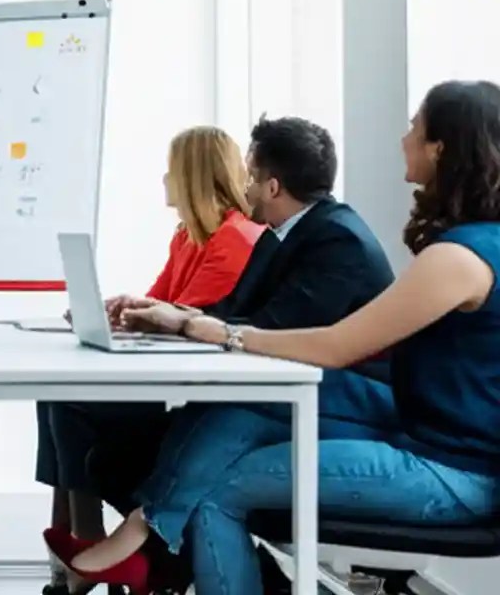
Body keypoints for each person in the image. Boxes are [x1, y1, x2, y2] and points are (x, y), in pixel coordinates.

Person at [48, 79, 500, 594]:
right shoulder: (467, 248)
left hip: (451, 471)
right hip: (420, 435)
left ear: (441, 147)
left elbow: (337, 346)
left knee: (217, 488)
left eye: (415, 128)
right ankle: (143, 537)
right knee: (238, 413)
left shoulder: (457, 258)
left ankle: (142, 534)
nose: (403, 137)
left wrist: (213, 331)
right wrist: (190, 322)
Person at [69, 116, 397, 594]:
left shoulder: (337, 238)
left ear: (272, 184)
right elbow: (234, 314)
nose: (241, 186)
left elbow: (277, 331)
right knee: (125, 451)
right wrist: (167, 314)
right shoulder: (281, 234)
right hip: (301, 394)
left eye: (248, 175)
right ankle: (160, 555)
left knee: (229, 415)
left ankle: (145, 528)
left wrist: (187, 324)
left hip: (353, 404)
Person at [34, 125, 264, 594]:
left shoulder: (235, 240)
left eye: (171, 169)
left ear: (193, 176)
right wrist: (118, 309)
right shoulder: (188, 236)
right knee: (56, 395)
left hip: (197, 396)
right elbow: (158, 302)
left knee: (70, 403)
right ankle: (78, 545)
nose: (163, 179)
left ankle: (87, 547)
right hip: (173, 379)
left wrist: (137, 316)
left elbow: (182, 320)